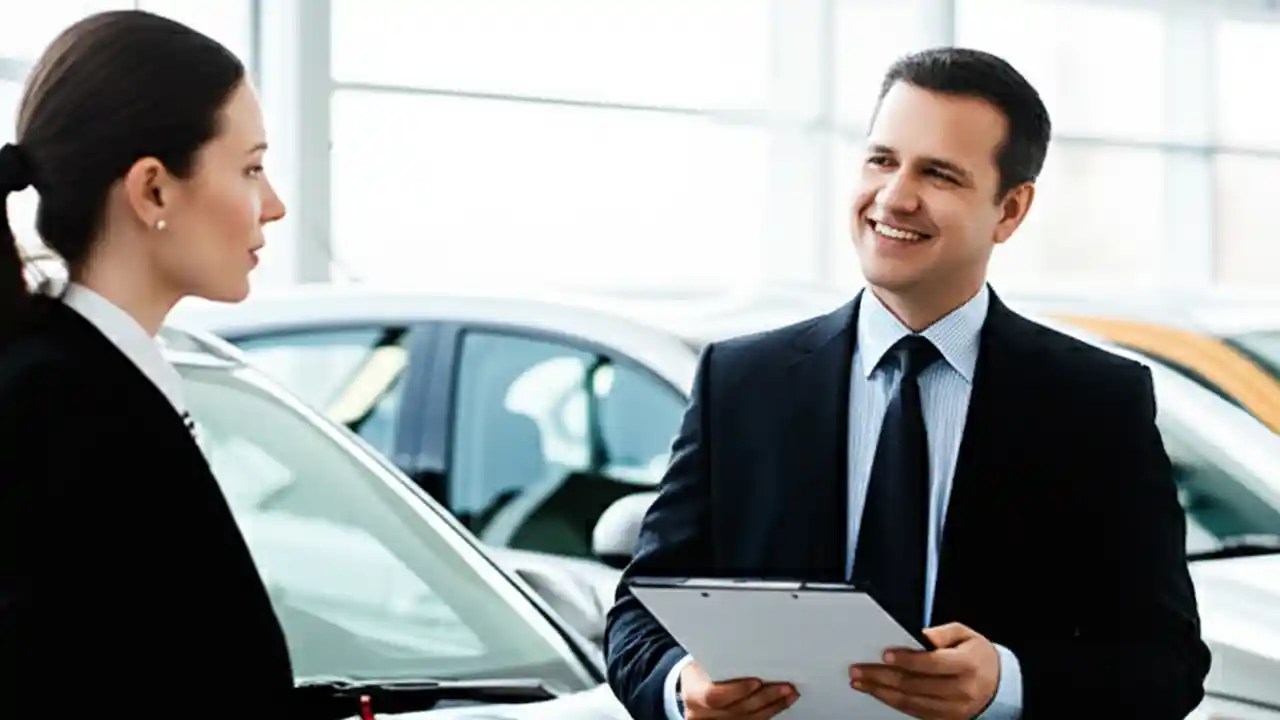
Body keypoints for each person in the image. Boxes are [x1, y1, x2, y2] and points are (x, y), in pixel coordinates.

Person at [605, 47, 1211, 720]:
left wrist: (1004, 684)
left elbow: (1168, 661)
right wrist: (682, 687)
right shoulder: (742, 383)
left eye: (940, 174)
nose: (895, 196)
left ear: (1009, 210)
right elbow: (638, 613)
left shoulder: (1096, 403)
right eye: (881, 160)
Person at [0, 10, 293, 714]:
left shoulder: (91, 385)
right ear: (153, 190)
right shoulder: (59, 411)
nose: (275, 206)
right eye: (251, 168)